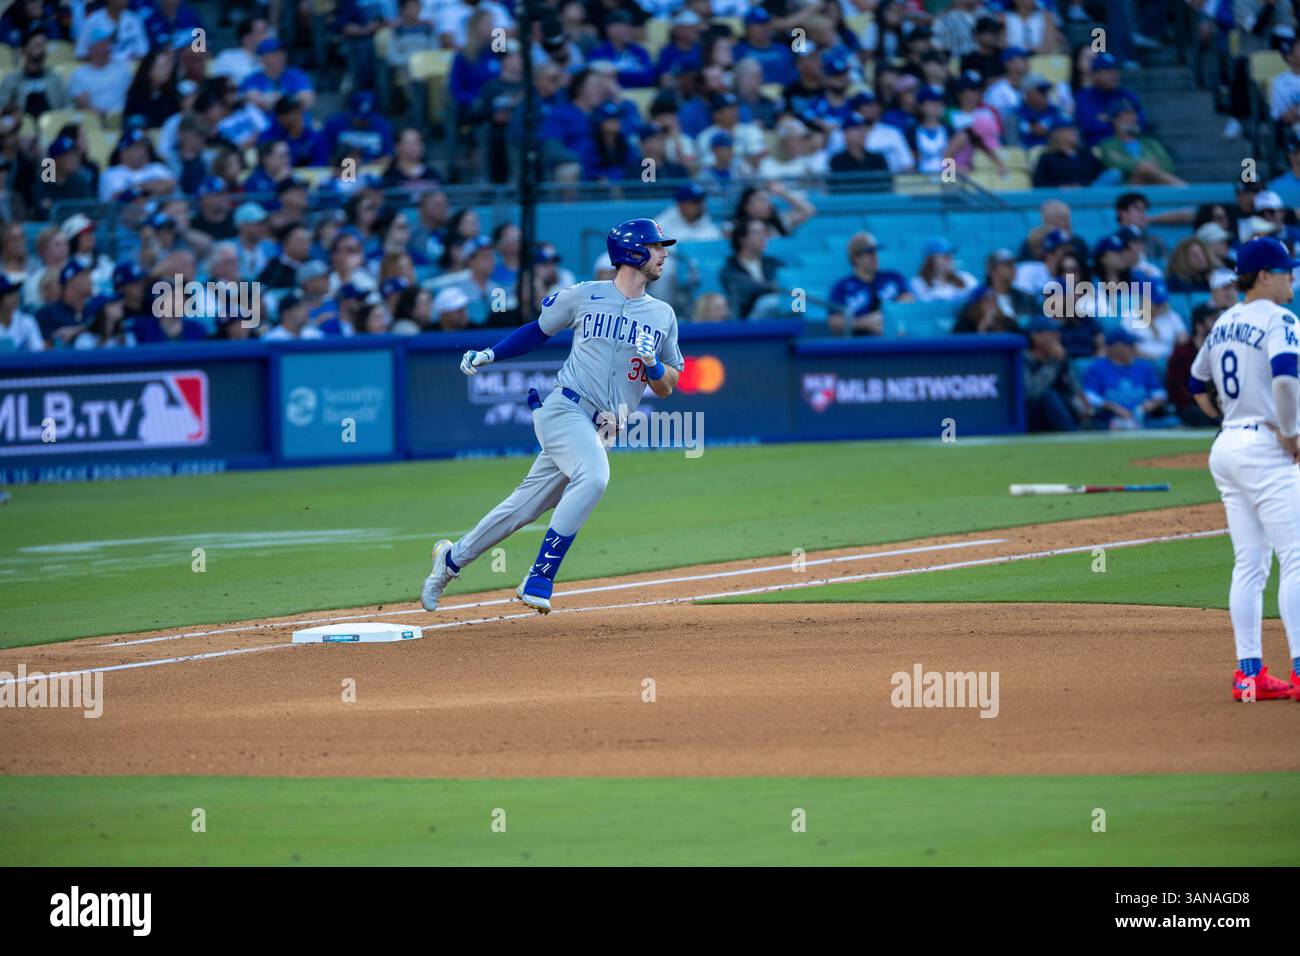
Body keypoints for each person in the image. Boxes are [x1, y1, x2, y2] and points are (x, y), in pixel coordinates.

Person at [420, 218, 683, 616]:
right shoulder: (583, 296)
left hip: (604, 428)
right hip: (566, 408)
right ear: (632, 252)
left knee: (522, 509)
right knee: (594, 477)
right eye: (656, 246)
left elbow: (667, 386)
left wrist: (653, 366)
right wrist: (490, 354)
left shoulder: (663, 315)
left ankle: (451, 561)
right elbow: (537, 331)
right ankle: (541, 575)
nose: (664, 253)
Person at [1188, 236, 1300, 700]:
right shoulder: (1280, 319)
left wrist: (1227, 421)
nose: (1293, 278)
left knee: (1249, 564)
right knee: (1296, 559)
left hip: (1228, 448)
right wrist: (1290, 433)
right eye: (1287, 270)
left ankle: (1249, 674)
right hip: (1266, 449)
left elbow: (1196, 384)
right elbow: (1286, 379)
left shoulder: (1222, 322)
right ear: (1265, 276)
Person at [1082, 327, 1170, 429]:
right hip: (1108, 422)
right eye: (1128, 345)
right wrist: (1113, 408)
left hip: (1143, 420)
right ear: (1114, 347)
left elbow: (1159, 392)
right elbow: (1090, 396)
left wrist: (1148, 406)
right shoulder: (1097, 368)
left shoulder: (1143, 366)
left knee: (1173, 423)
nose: (1133, 348)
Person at [827, 231, 912, 336]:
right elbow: (834, 322)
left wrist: (885, 317)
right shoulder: (842, 287)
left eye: (875, 252)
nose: (875, 256)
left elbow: (909, 299)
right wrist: (864, 323)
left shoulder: (893, 277)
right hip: (862, 345)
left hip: (898, 339)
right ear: (855, 257)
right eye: (869, 253)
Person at [1023, 316, 1088, 431]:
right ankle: (1073, 434)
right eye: (1051, 333)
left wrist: (1085, 407)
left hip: (1061, 413)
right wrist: (1053, 363)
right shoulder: (1024, 360)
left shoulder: (1061, 359)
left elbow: (1074, 389)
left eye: (1057, 333)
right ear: (1035, 337)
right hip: (1032, 417)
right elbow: (1031, 392)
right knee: (1049, 395)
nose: (1057, 337)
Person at [1165, 306, 1220, 428]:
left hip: (1217, 403)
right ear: (1199, 325)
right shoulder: (1182, 352)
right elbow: (1176, 389)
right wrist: (1204, 400)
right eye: (1212, 320)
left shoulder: (1219, 349)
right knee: (1204, 417)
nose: (1217, 324)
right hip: (1190, 405)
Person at [910, 238, 977, 302]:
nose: (951, 259)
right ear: (930, 260)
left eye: (951, 255)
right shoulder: (918, 284)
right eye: (946, 256)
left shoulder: (966, 278)